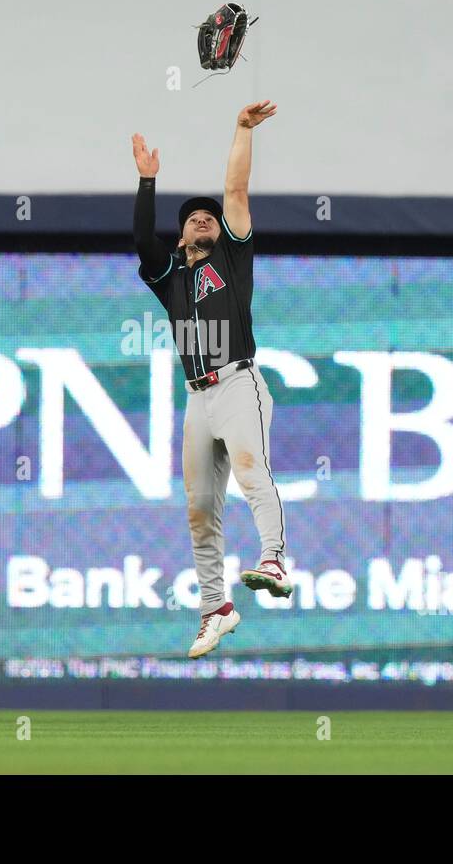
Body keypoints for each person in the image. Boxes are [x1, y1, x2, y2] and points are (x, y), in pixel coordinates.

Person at [129, 102, 293, 660]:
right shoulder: (169, 278)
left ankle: (274, 557)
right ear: (179, 240)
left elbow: (236, 193)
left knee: (251, 472)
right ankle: (215, 608)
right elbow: (141, 241)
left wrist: (242, 130)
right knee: (199, 506)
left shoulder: (232, 256)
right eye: (192, 219)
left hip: (238, 381)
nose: (203, 219)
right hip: (198, 397)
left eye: (208, 216)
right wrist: (147, 182)